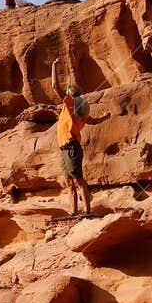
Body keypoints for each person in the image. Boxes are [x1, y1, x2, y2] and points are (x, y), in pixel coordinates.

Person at [56, 84, 109, 217]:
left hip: (71, 147)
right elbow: (93, 121)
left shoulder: (70, 104)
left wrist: (54, 66)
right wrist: (105, 117)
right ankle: (73, 212)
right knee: (69, 182)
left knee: (77, 180)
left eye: (67, 93)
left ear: (70, 94)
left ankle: (87, 211)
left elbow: (55, 86)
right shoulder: (79, 109)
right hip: (64, 149)